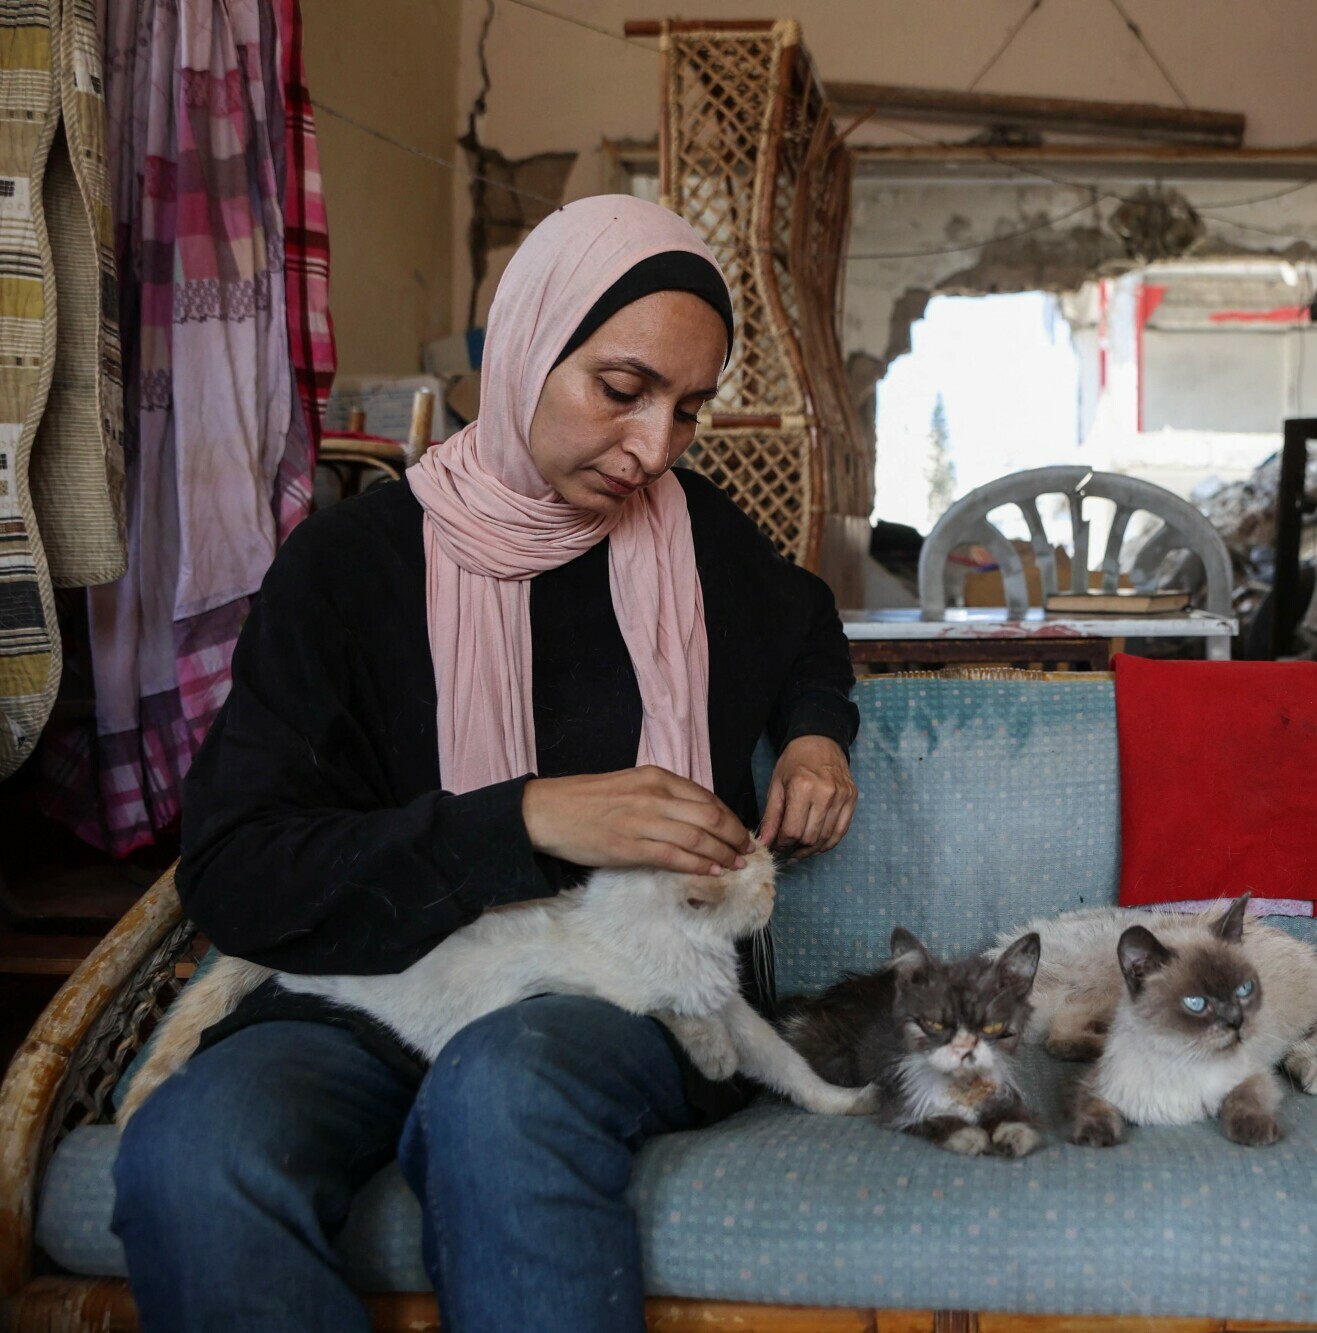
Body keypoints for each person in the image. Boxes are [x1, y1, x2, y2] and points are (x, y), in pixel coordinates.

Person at [111, 196, 860, 1332]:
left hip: (616, 999)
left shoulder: (692, 536)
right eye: (621, 390)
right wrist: (525, 821)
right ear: (523, 346)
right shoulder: (347, 571)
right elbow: (238, 870)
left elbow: (805, 619)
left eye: (687, 411)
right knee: (194, 1150)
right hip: (377, 994)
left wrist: (814, 731)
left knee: (503, 1089)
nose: (652, 448)